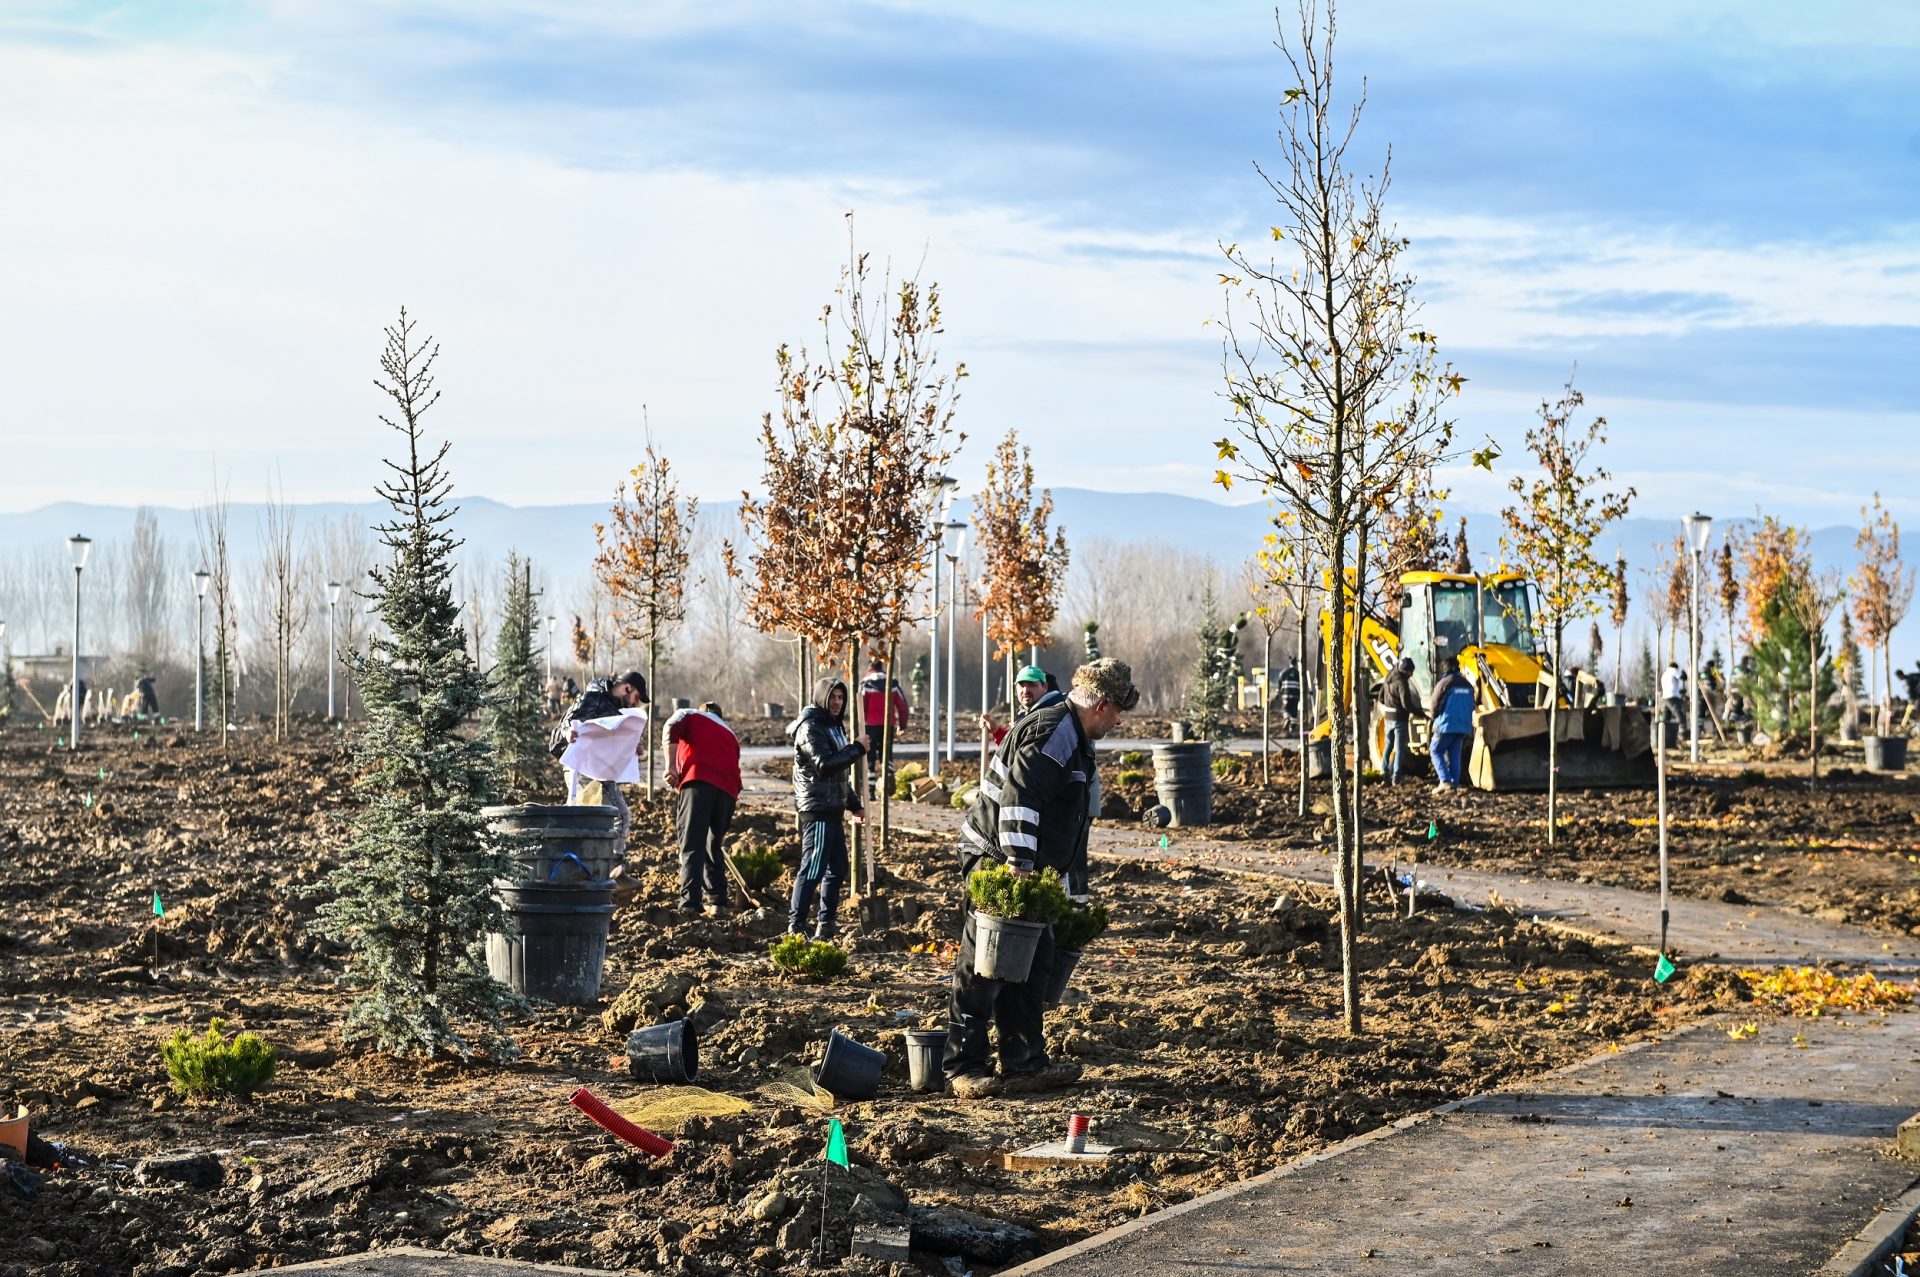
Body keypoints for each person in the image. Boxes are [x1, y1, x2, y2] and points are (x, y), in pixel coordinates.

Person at [944, 658, 1138, 1100]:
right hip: (998, 858)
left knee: (1032, 962)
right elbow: (1021, 795)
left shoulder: (1072, 732)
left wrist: (1061, 882)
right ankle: (963, 1065)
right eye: (1117, 710)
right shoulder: (1056, 732)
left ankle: (1024, 1063)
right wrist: (1019, 862)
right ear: (1101, 704)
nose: (1119, 719)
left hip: (1026, 862)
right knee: (986, 962)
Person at [787, 680, 865, 938]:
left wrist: (854, 804)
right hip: (817, 807)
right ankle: (796, 926)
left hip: (833, 808)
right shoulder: (810, 727)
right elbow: (824, 765)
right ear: (821, 697)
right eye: (832, 697)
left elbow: (840, 773)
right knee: (812, 868)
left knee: (838, 867)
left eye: (841, 698)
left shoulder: (834, 727)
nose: (837, 702)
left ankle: (826, 923)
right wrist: (858, 748)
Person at [549, 669, 649, 848]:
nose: (635, 704)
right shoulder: (593, 698)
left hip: (601, 771)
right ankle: (593, 867)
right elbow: (570, 721)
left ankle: (613, 868)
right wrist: (568, 732)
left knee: (620, 817)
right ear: (627, 688)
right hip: (581, 768)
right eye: (636, 697)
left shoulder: (618, 710)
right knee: (598, 817)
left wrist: (634, 747)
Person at [664, 700, 742, 916]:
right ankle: (717, 901)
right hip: (728, 791)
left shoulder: (689, 715)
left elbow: (670, 727)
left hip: (698, 782)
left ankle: (690, 903)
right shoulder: (730, 734)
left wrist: (670, 767)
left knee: (691, 844)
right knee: (713, 845)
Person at [858, 657, 911, 800]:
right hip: (888, 725)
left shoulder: (865, 684)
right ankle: (887, 791)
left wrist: (859, 727)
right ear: (882, 668)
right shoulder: (892, 684)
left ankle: (870, 792)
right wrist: (902, 724)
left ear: (869, 668)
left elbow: (860, 707)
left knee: (870, 759)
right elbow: (903, 706)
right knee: (886, 756)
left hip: (869, 726)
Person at [1428, 656, 1475, 793]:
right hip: (1463, 726)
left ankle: (1445, 780)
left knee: (1435, 750)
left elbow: (1435, 704)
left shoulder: (1444, 683)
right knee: (1455, 754)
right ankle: (1454, 783)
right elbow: (1472, 704)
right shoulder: (1467, 684)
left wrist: (1433, 717)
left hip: (1445, 726)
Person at [979, 665, 1052, 748]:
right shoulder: (1025, 714)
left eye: (1032, 684)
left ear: (1045, 687)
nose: (1025, 690)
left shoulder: (1046, 718)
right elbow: (1013, 749)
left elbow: (1021, 755)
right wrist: (996, 730)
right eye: (1021, 685)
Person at [1377, 657, 1422, 784]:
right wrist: (1420, 713)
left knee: (1388, 745)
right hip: (1400, 720)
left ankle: (1384, 772)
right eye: (1411, 672)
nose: (1411, 674)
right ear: (1405, 671)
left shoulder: (1388, 678)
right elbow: (1406, 704)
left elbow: (1380, 698)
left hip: (1388, 718)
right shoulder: (1402, 683)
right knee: (1400, 749)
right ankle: (1396, 778)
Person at [1661, 661, 1687, 739]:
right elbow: (1683, 677)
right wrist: (1683, 673)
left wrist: (1680, 690)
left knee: (1666, 718)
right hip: (1672, 697)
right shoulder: (1673, 670)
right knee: (1680, 715)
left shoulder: (1664, 674)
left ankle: (1663, 734)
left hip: (1665, 697)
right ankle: (1682, 734)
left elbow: (1671, 685)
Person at [1276, 657, 1302, 730]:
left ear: (1290, 663)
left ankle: (1287, 718)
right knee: (1294, 710)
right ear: (1296, 664)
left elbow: (1279, 684)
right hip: (1295, 696)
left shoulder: (1284, 673)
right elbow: (1303, 686)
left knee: (1286, 709)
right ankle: (1292, 726)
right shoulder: (1298, 673)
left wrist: (1277, 694)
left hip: (1286, 695)